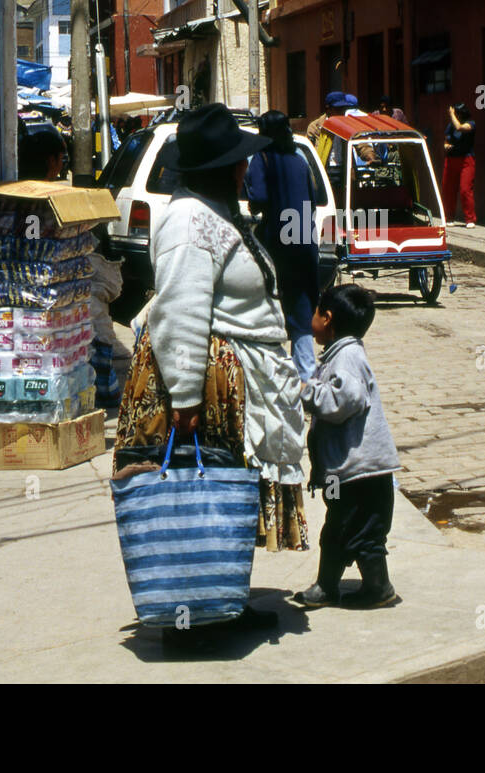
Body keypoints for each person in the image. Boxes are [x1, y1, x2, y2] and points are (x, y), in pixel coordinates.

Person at [110, 104, 309, 632]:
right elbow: (181, 311)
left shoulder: (215, 210)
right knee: (204, 488)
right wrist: (186, 399)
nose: (246, 171)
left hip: (233, 382)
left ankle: (223, 598)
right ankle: (196, 608)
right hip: (208, 387)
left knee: (229, 490)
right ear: (220, 168)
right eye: (238, 163)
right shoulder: (188, 221)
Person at [293, 284, 401, 610]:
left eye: (314, 313)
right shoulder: (341, 354)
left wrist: (304, 391)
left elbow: (344, 401)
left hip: (361, 475)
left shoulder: (348, 357)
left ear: (327, 318)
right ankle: (326, 587)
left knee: (364, 534)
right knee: (336, 531)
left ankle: (379, 588)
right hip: (345, 474)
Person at [246, 111, 321, 381]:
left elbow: (260, 198)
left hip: (277, 237)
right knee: (301, 308)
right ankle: (307, 377)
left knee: (270, 304)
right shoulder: (300, 162)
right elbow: (312, 201)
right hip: (302, 234)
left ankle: (273, 375)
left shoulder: (261, 159)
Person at [441, 101, 477, 227]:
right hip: (451, 159)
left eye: (457, 113)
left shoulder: (471, 123)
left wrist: (451, 114)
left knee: (465, 189)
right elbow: (446, 140)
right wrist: (446, 146)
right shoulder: (450, 126)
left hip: (466, 160)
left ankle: (470, 219)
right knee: (448, 189)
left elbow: (460, 128)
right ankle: (449, 217)